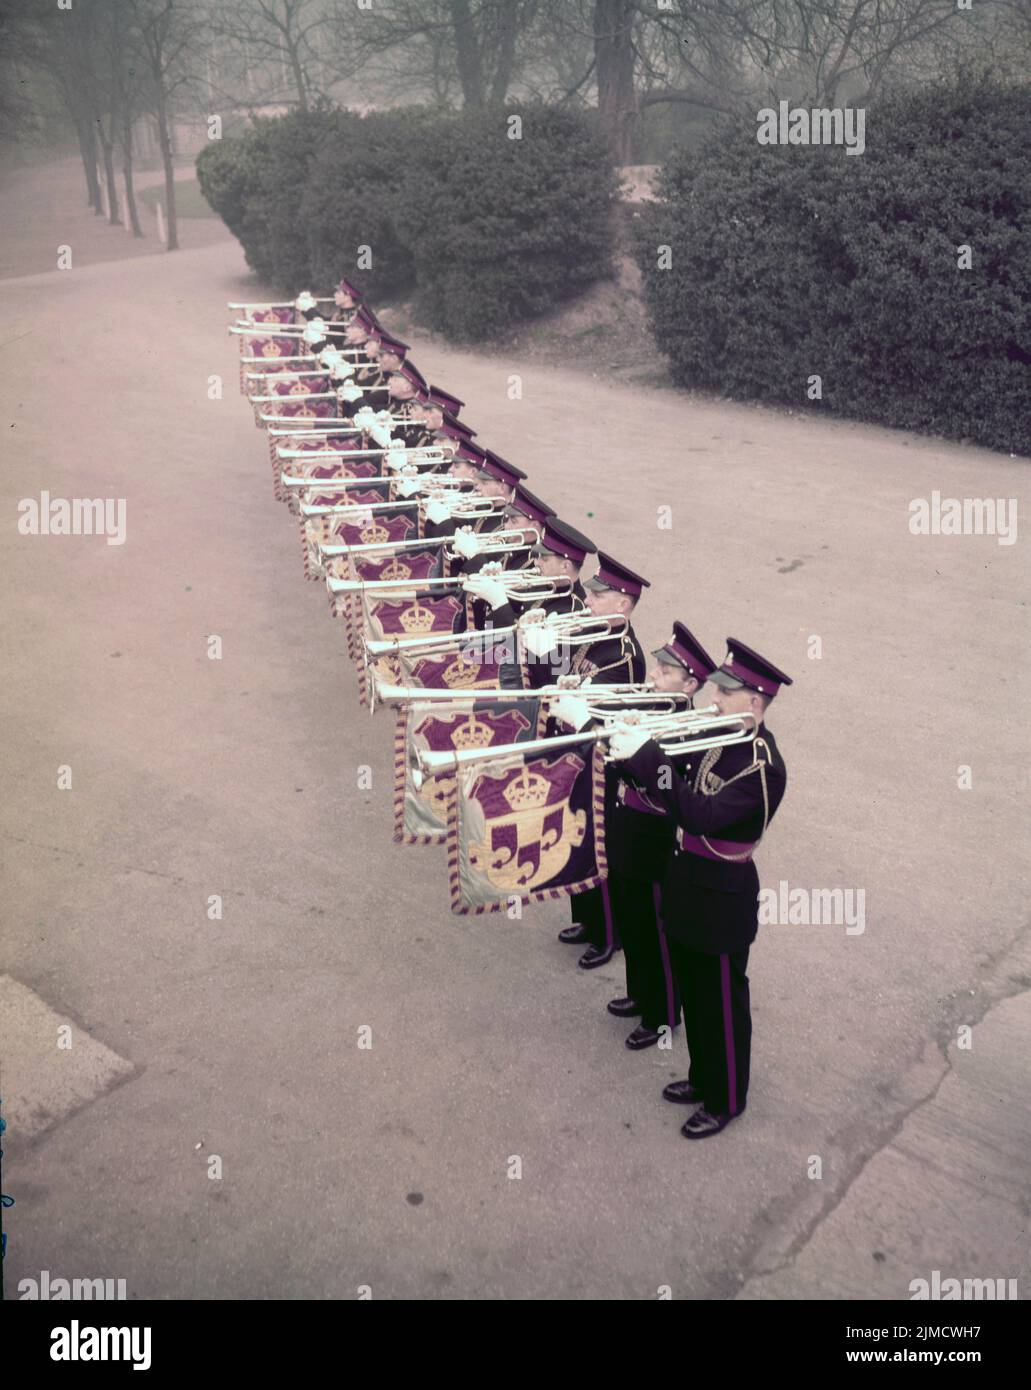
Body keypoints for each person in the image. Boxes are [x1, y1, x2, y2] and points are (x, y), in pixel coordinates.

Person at [608, 638, 792, 1139]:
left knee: (721, 1005)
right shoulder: (720, 735)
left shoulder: (762, 767)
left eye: (726, 693)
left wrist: (648, 757)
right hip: (687, 878)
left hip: (721, 896)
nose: (714, 699)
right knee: (693, 990)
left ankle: (727, 1096)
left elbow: (698, 813)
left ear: (755, 702)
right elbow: (673, 782)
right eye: (716, 689)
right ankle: (700, 1077)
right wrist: (632, 746)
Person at [606, 624, 716, 1049]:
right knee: (632, 918)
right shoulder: (651, 705)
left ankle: (663, 1015)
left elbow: (668, 782)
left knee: (655, 930)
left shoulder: (690, 726)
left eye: (665, 671)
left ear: (690, 684)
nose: (653, 674)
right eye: (657, 665)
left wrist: (640, 751)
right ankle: (640, 993)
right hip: (627, 824)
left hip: (654, 835)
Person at [558, 553, 649, 970]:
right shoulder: (597, 632)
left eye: (600, 595)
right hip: (579, 751)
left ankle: (607, 934)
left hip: (603, 764)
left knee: (598, 849)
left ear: (624, 605)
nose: (590, 601)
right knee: (576, 839)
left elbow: (607, 709)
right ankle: (586, 919)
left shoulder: (626, 654)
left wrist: (579, 699)